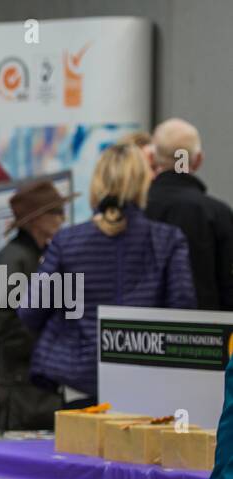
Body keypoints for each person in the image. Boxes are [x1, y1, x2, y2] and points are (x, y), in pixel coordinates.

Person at [19, 143, 196, 405]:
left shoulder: (66, 242)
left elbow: (30, 311)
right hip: (146, 381)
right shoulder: (168, 240)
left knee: (77, 447)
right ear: (142, 183)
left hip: (80, 378)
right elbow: (182, 313)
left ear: (97, 183)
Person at [0, 179, 72, 431]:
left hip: (36, 392)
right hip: (21, 396)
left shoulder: (36, 257)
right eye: (56, 212)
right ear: (36, 219)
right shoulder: (13, 260)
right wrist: (47, 346)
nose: (62, 219)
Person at [146, 118, 233, 311]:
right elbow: (228, 285)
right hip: (205, 333)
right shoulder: (218, 213)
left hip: (141, 334)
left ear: (151, 158)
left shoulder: (136, 208)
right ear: (198, 160)